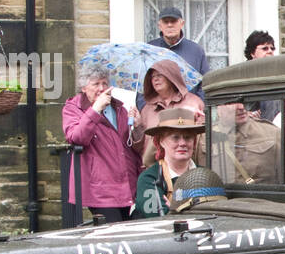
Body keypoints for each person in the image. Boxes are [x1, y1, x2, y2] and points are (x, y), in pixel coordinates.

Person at [62, 68, 141, 223]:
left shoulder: (120, 109)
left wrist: (137, 127)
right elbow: (77, 137)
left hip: (127, 183)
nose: (101, 88)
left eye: (104, 83)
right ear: (84, 88)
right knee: (113, 230)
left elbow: (132, 146)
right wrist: (95, 109)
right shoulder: (73, 108)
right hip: (101, 187)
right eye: (96, 84)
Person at [132, 59, 204, 167]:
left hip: (186, 170)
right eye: (152, 77)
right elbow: (140, 149)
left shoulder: (193, 102)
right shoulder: (147, 109)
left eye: (159, 75)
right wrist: (137, 126)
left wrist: (199, 120)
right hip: (155, 172)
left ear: (171, 76)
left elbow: (203, 139)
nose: (155, 79)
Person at [135, 108, 203, 218]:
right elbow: (157, 218)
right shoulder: (150, 178)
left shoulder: (206, 176)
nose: (182, 143)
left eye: (188, 137)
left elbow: (216, 215)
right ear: (161, 141)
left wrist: (174, 210)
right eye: (175, 138)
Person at [218, 100, 285, 185]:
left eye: (243, 101)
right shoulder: (206, 137)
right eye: (231, 103)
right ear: (218, 107)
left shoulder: (271, 133)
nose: (241, 107)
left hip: (261, 197)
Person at [150, 7, 209, 78]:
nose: (169, 25)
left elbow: (205, 83)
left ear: (182, 24)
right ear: (160, 26)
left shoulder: (196, 51)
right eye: (165, 22)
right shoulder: (150, 49)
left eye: (173, 21)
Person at [243, 31, 279, 119]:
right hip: (253, 124)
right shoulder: (243, 74)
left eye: (272, 48)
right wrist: (245, 113)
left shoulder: (276, 73)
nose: (270, 51)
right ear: (252, 53)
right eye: (265, 48)